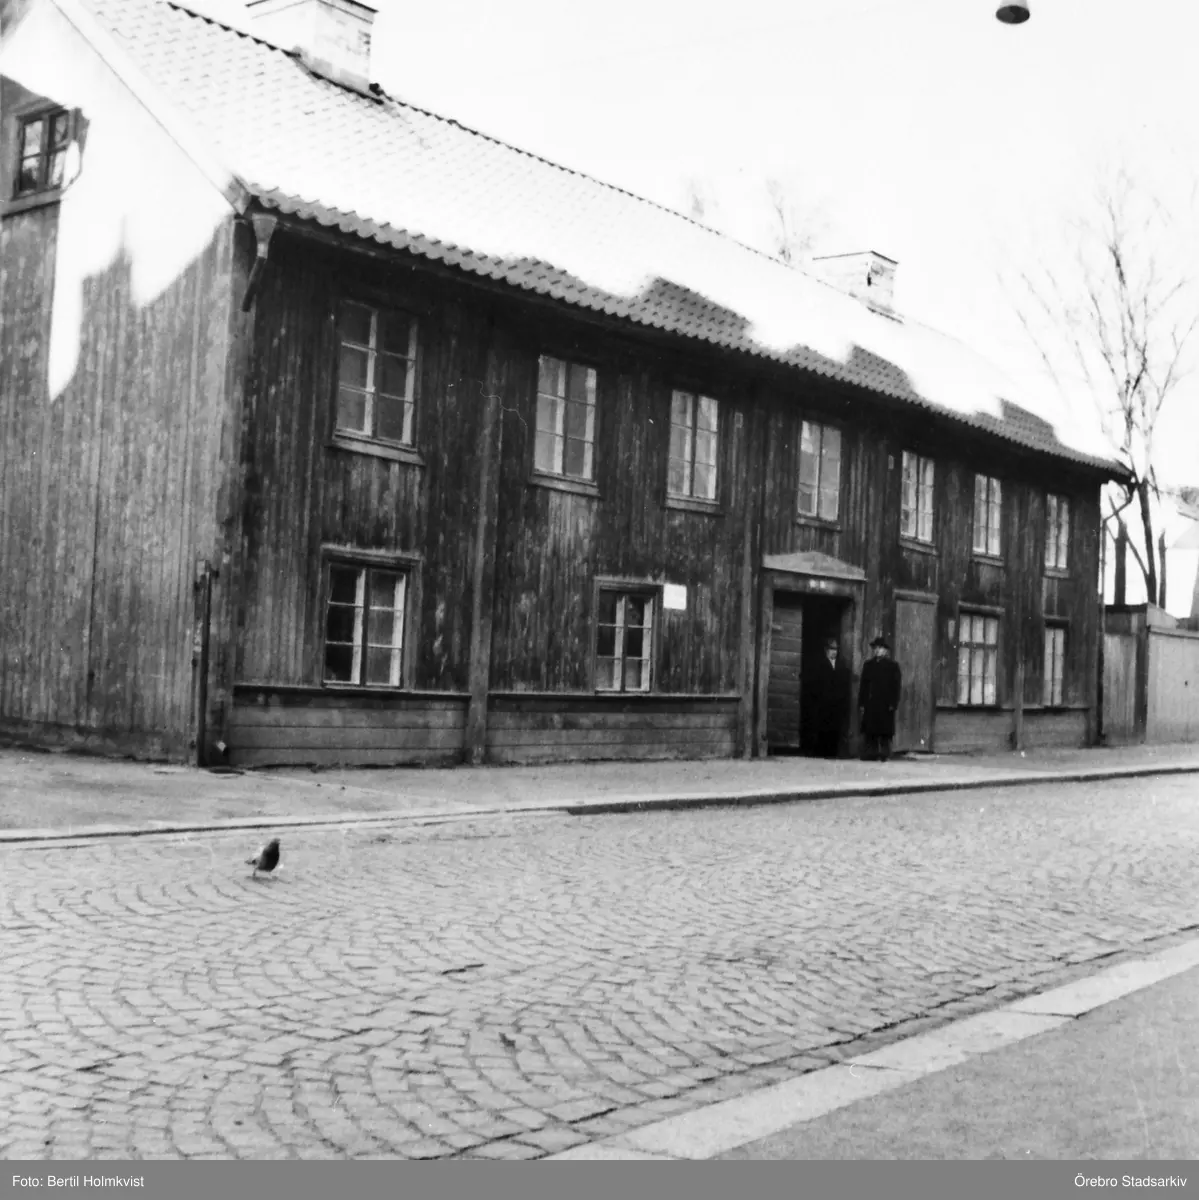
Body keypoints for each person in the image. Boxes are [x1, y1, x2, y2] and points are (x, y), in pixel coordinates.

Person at [805, 634, 852, 758]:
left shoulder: (841, 665)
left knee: (835, 728)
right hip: (823, 702)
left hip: (836, 703)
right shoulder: (819, 665)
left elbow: (844, 684)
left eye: (836, 649)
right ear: (826, 650)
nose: (834, 652)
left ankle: (833, 752)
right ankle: (821, 751)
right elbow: (814, 684)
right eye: (832, 649)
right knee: (822, 727)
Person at [859, 635, 902, 761]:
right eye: (876, 648)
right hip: (871, 703)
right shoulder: (868, 665)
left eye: (880, 648)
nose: (877, 651)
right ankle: (870, 753)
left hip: (885, 703)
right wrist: (862, 702)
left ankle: (884, 753)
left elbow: (896, 687)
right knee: (870, 730)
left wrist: (893, 703)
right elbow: (864, 685)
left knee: (884, 731)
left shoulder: (892, 666)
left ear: (886, 651)